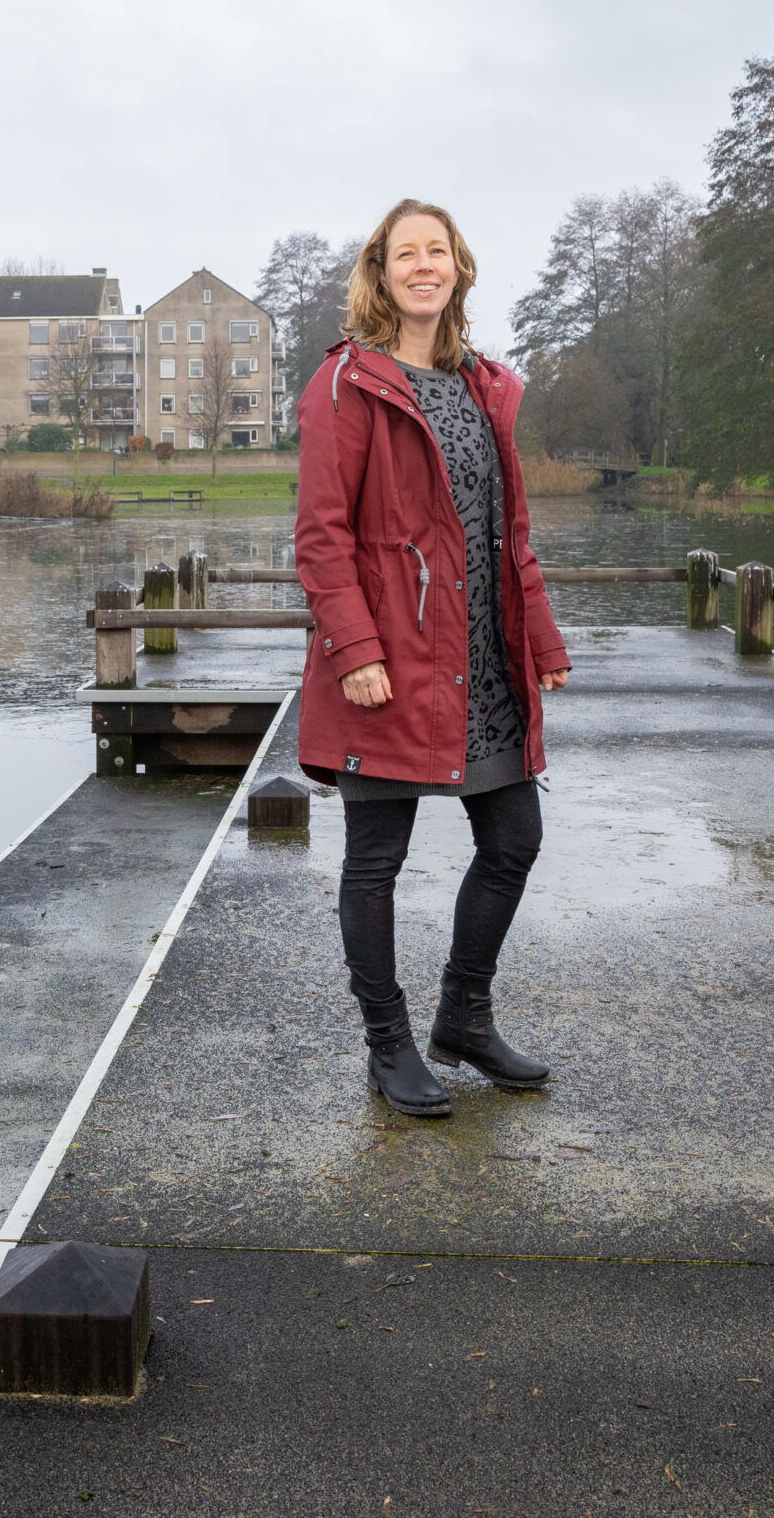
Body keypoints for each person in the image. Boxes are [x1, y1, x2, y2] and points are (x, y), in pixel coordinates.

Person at [293, 198, 571, 1118]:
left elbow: (508, 534)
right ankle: (389, 1042)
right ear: (380, 272)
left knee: (515, 839)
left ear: (458, 267)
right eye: (405, 253)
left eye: (437, 251)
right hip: (388, 663)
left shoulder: (483, 386)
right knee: (376, 858)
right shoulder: (347, 383)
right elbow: (322, 538)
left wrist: (541, 639)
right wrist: (354, 650)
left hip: (482, 663)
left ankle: (464, 1015)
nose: (424, 266)